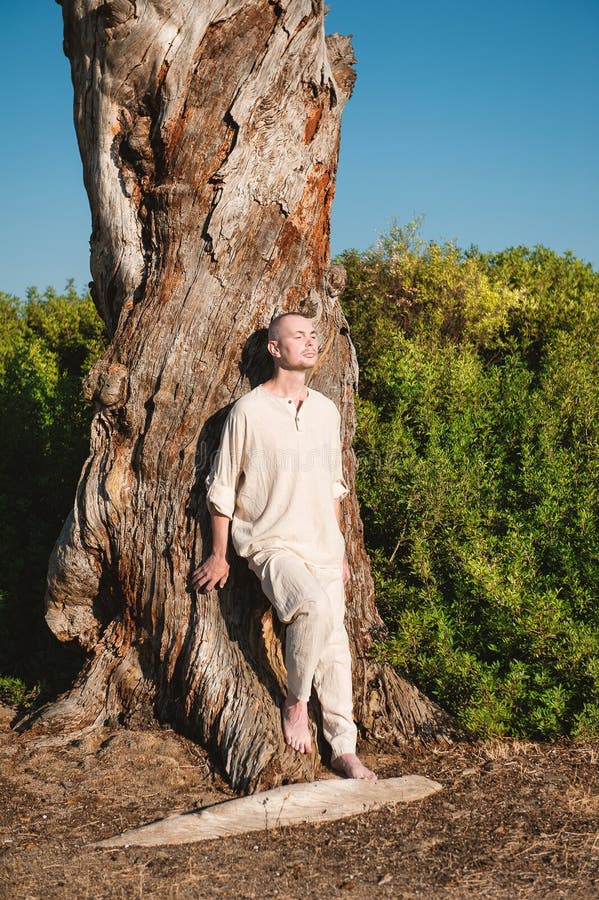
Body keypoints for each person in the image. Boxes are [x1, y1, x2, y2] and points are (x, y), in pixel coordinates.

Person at [192, 312, 376, 781]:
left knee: (336, 647)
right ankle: (296, 703)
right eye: (299, 336)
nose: (311, 342)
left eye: (314, 336)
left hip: (323, 547)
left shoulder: (326, 411)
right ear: (275, 349)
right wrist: (218, 554)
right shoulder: (248, 412)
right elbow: (222, 490)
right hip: (271, 544)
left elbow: (335, 488)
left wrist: (339, 551)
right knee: (311, 608)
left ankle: (343, 748)